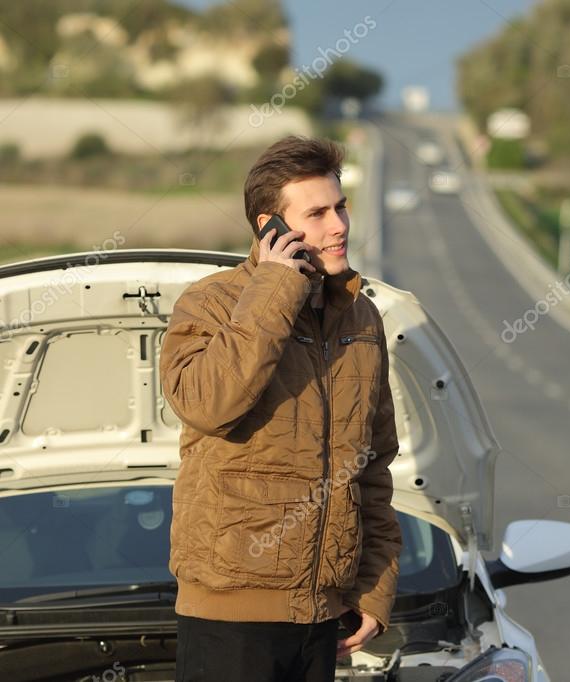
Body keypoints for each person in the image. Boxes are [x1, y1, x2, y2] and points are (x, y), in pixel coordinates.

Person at [159, 135, 402, 682]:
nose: (338, 225)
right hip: (228, 617)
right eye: (316, 213)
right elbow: (208, 403)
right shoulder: (211, 302)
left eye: (340, 206)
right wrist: (274, 286)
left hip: (322, 618)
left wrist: (373, 587)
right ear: (271, 226)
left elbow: (374, 466)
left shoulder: (362, 319)